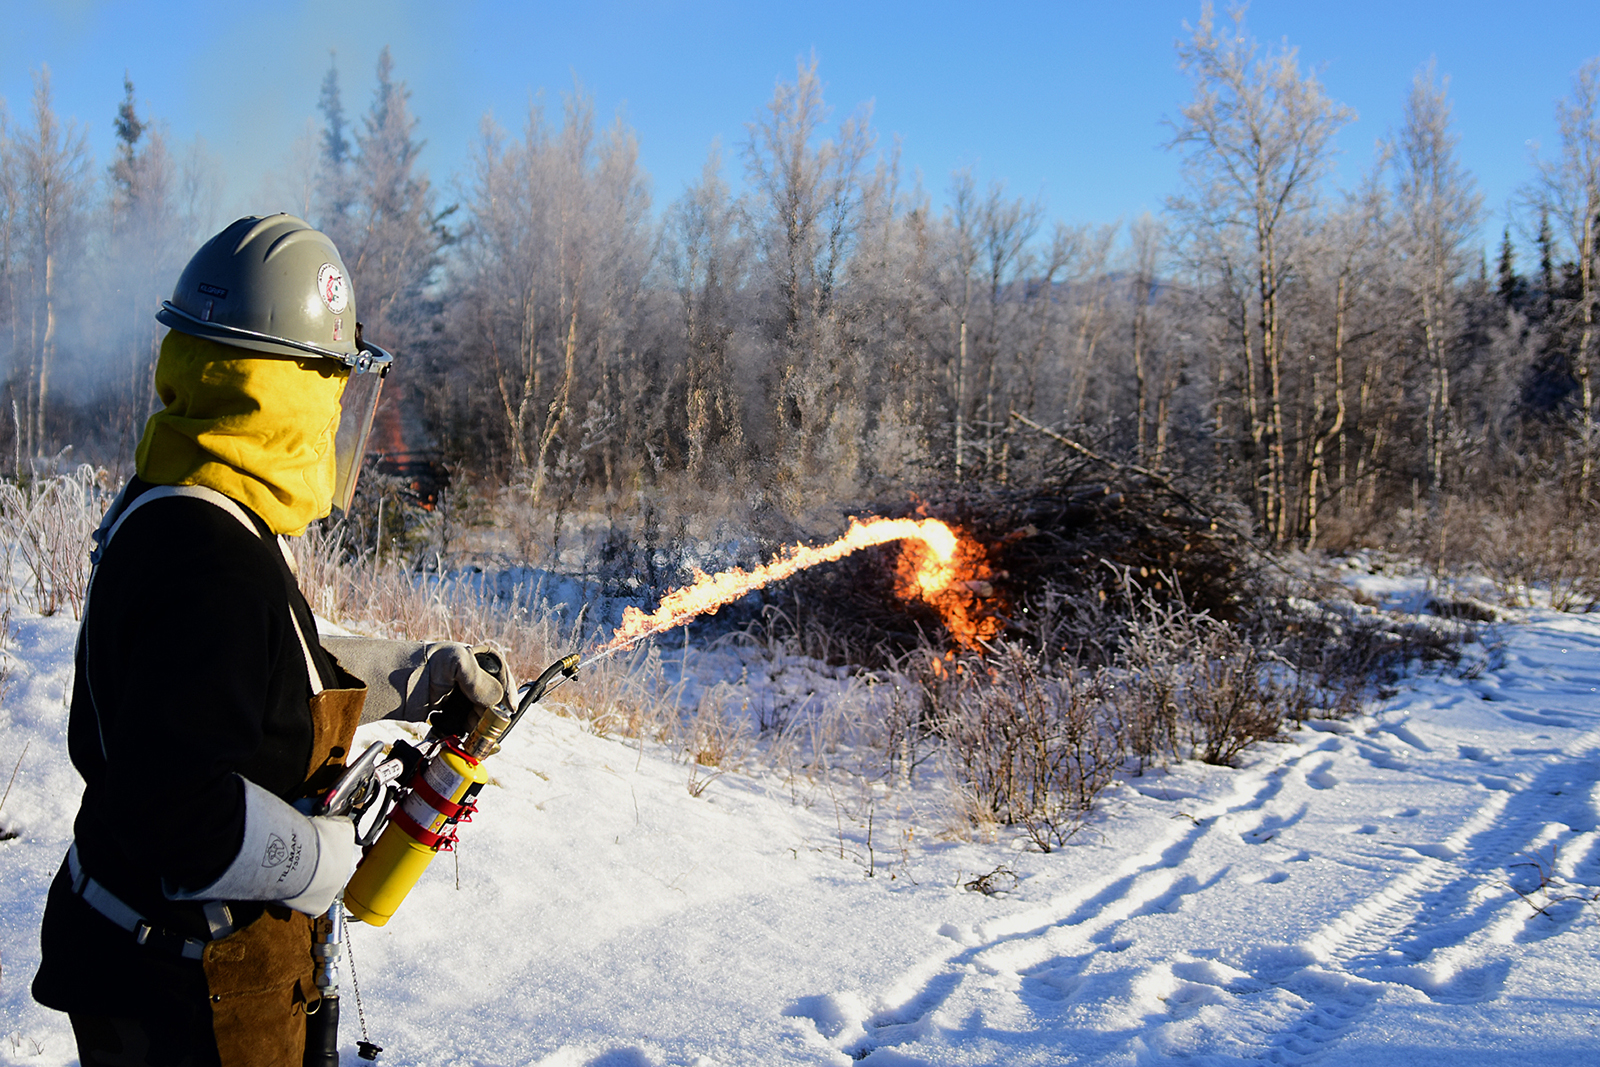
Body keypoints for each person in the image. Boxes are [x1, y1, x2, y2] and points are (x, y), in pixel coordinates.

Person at [32, 214, 508, 1067]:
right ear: (282, 389)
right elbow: (185, 813)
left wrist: (413, 673)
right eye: (331, 385)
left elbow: (258, 669)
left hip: (150, 961)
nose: (336, 418)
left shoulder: (190, 498)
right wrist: (315, 858)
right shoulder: (205, 559)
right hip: (181, 996)